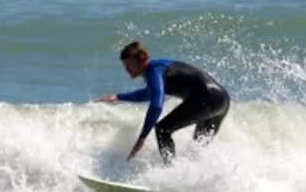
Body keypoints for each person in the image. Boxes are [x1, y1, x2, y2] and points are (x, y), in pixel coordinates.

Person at [95, 41, 230, 163]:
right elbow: (148, 93)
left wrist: (141, 138)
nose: (126, 69)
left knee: (162, 129)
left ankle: (171, 172)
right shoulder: (158, 69)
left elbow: (156, 104)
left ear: (140, 60)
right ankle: (196, 183)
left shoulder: (154, 70)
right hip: (222, 101)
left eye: (128, 65)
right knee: (198, 147)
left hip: (207, 98)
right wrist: (118, 97)